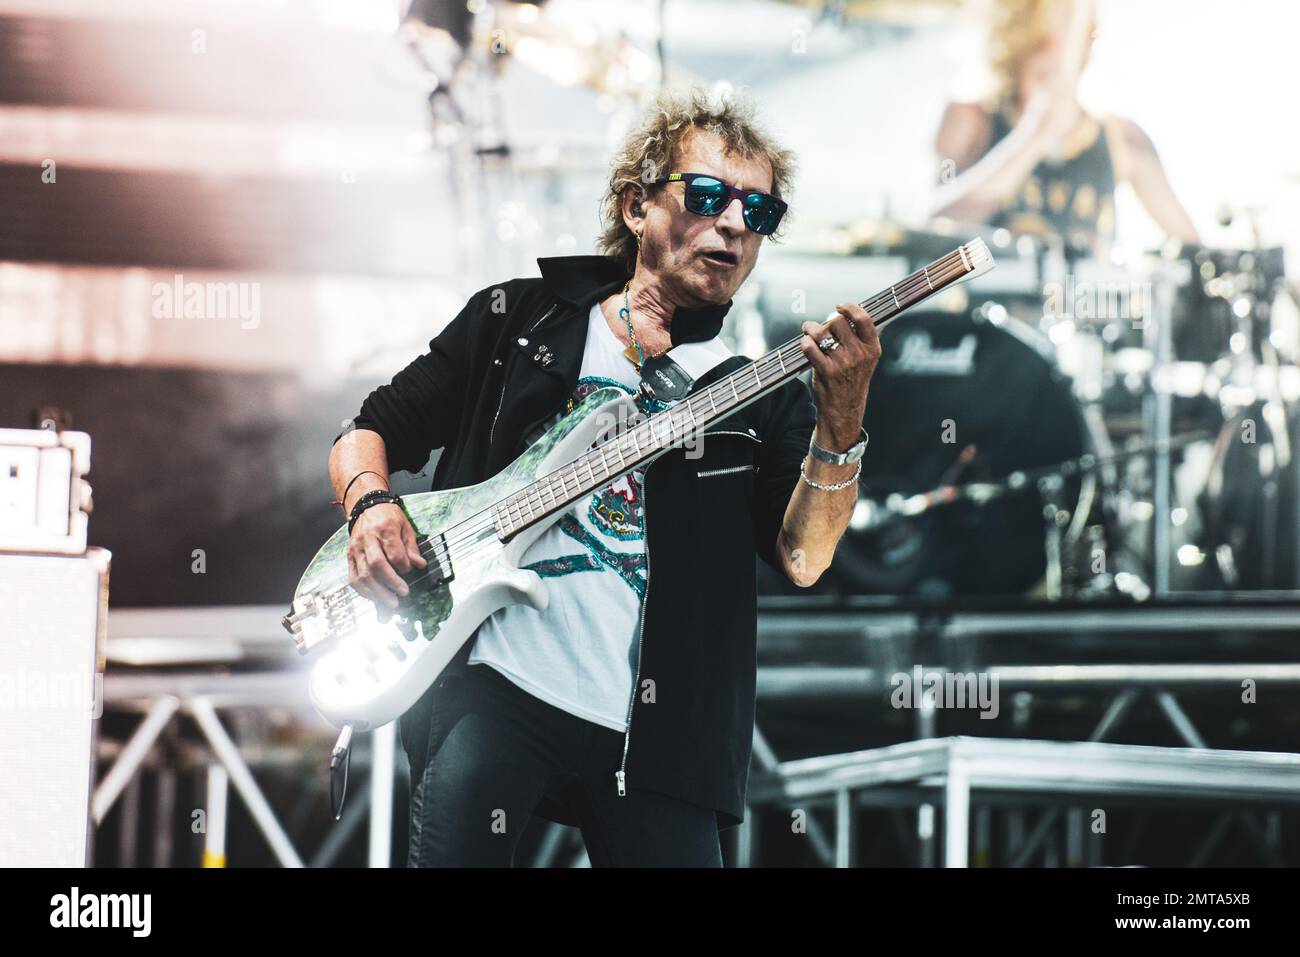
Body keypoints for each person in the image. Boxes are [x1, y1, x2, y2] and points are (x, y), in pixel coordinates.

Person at [327, 87, 882, 866]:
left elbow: (805, 555)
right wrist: (372, 507)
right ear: (635, 207)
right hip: (498, 687)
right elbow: (370, 432)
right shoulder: (518, 322)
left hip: (663, 734)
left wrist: (842, 421)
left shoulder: (759, 392)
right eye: (710, 196)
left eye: (758, 212)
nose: (732, 224)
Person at [930, 0, 1200, 254]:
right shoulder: (970, 120)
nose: (1061, 47)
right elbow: (936, 226)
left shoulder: (1123, 139)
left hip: (1083, 302)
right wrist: (1034, 137)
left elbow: (1196, 254)